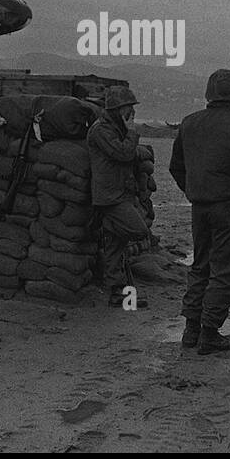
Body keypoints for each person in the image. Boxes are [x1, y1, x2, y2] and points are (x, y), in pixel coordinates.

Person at [169, 69, 230, 355]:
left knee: (200, 266)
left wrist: (194, 191)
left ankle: (191, 330)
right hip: (228, 210)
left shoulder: (189, 123)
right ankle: (210, 334)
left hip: (199, 209)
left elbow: (176, 167)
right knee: (225, 271)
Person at [88, 86, 151, 309]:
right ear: (116, 109)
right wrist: (132, 131)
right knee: (139, 230)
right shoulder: (101, 131)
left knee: (116, 246)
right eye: (127, 108)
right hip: (109, 196)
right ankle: (110, 225)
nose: (131, 112)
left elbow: (130, 154)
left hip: (119, 193)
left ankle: (117, 292)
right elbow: (124, 153)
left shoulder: (116, 129)